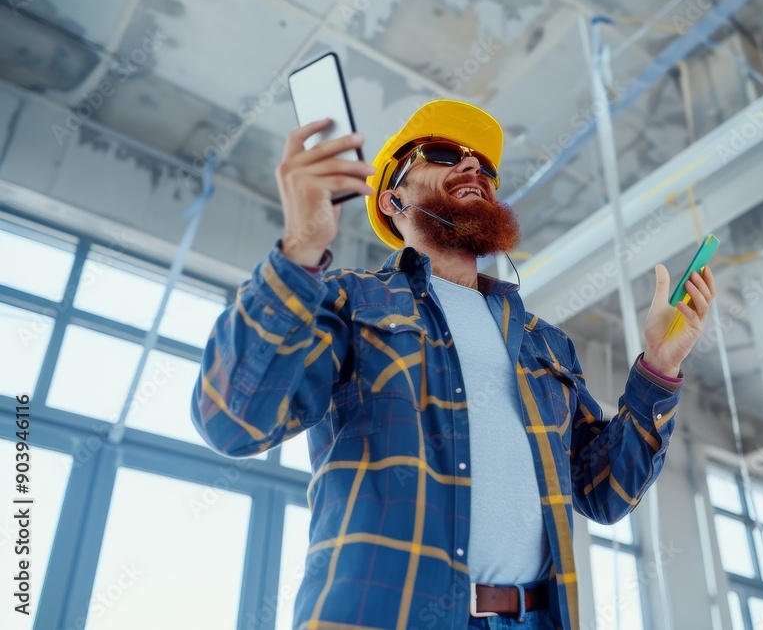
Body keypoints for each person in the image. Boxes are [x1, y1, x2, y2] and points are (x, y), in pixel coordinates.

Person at [191, 99, 716, 630]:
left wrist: (657, 367)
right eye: (443, 154)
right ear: (392, 199)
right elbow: (231, 422)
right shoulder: (348, 301)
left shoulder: (545, 343)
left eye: (484, 166)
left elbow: (604, 492)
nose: (473, 168)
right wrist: (300, 247)